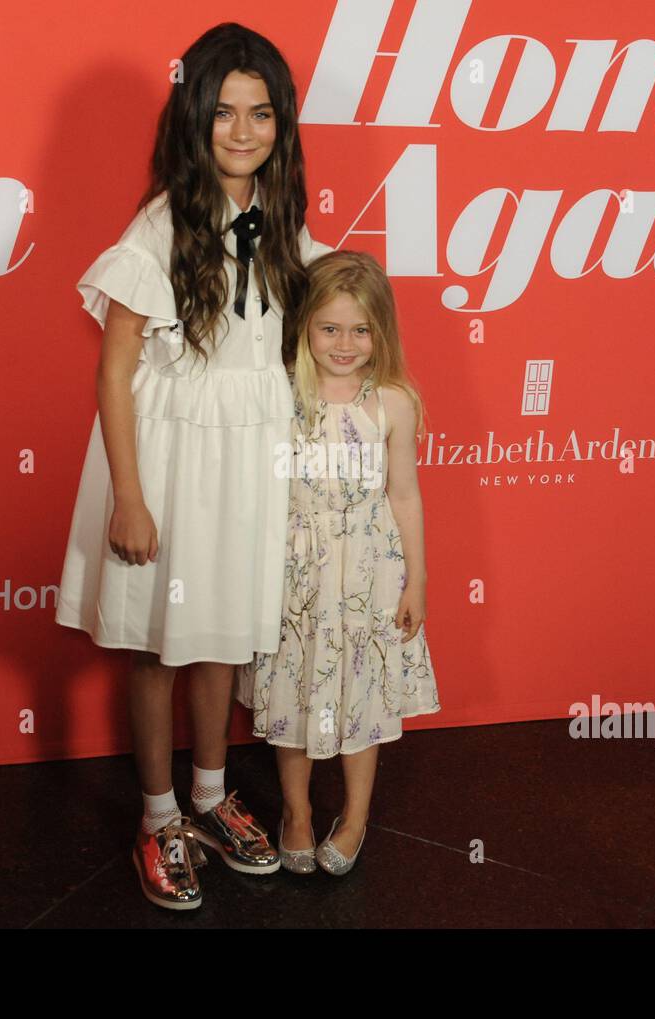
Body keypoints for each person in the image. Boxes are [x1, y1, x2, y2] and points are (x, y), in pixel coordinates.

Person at [55, 23, 334, 910]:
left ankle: (212, 799)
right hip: (169, 462)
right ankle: (158, 815)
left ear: (282, 126)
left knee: (218, 634)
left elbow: (316, 322)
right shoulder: (160, 224)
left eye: (260, 114)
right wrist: (129, 497)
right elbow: (114, 369)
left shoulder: (282, 223)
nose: (242, 131)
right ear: (193, 119)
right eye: (222, 113)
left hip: (245, 464)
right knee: (157, 646)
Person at [236, 250, 439, 876]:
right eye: (330, 328)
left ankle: (354, 817)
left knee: (365, 699)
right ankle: (295, 812)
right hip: (296, 572)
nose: (345, 343)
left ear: (381, 330)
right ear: (305, 328)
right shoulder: (282, 394)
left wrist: (417, 578)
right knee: (296, 693)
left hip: (370, 571)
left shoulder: (394, 402)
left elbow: (402, 493)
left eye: (360, 329)